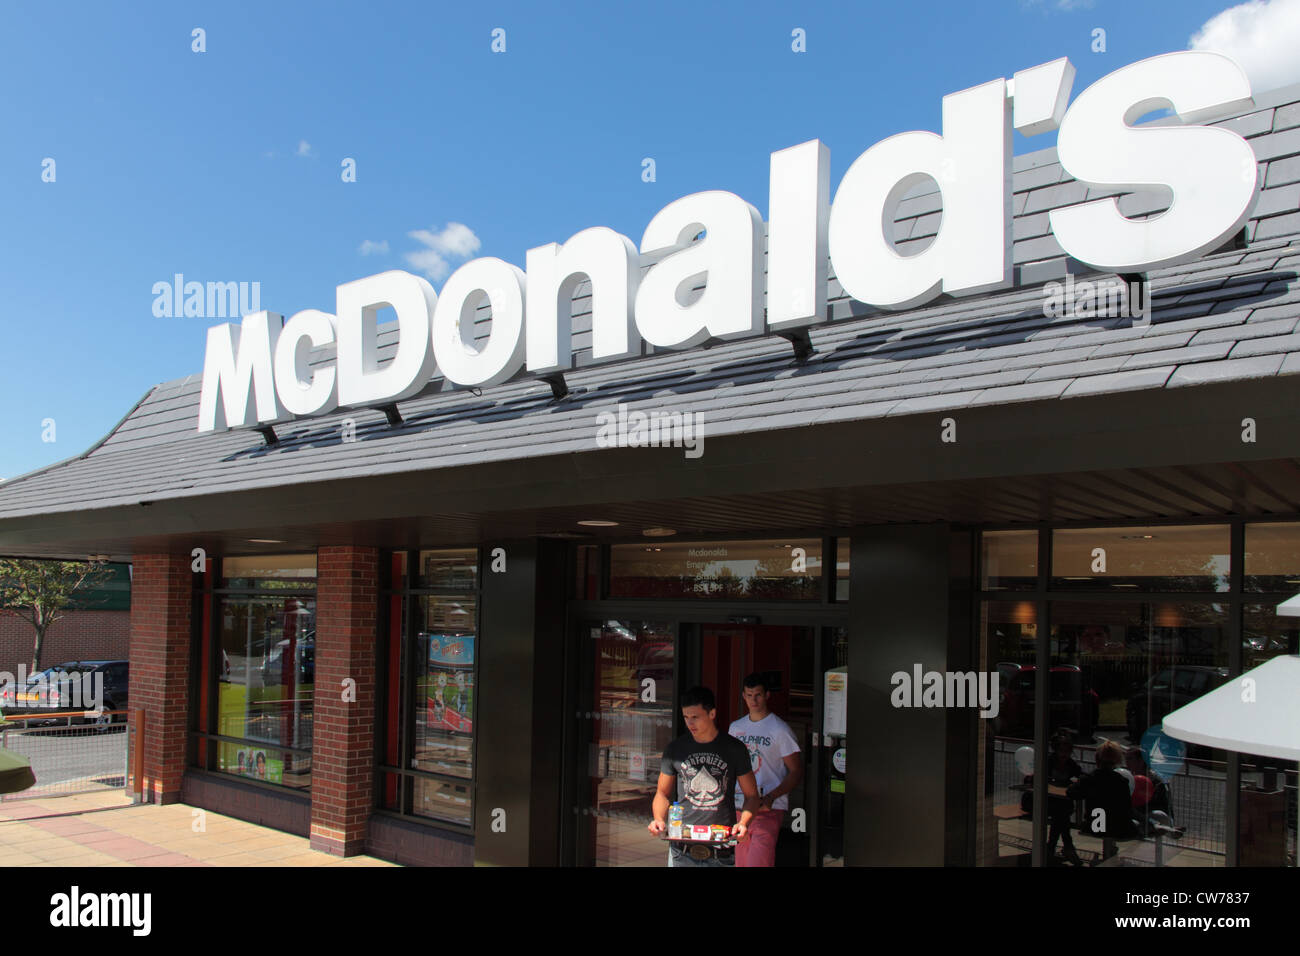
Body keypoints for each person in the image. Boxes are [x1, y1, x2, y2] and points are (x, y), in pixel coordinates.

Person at [649, 686, 760, 867]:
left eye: (695, 717)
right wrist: (659, 819)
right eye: (686, 717)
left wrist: (744, 823)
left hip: (721, 849)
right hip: (682, 848)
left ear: (712, 714)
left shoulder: (734, 749)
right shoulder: (675, 749)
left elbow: (752, 796)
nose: (690, 723)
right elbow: (662, 793)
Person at [727, 673, 803, 867]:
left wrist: (772, 797)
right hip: (740, 806)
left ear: (767, 695)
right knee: (741, 863)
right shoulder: (735, 728)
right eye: (749, 695)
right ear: (743, 696)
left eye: (758, 695)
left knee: (758, 862)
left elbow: (796, 771)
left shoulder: (780, 730)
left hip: (767, 808)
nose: (753, 700)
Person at [1063, 739, 1138, 862]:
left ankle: (1107, 856)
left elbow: (1071, 793)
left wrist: (1078, 784)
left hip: (1095, 825)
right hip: (1118, 828)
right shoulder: (1121, 781)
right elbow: (1127, 808)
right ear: (1116, 760)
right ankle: (1111, 855)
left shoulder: (1089, 779)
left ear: (1097, 759)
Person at [1042, 729, 1084, 866]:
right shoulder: (1048, 762)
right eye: (1061, 751)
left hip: (1063, 803)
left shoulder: (1072, 765)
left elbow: (1080, 778)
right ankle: (1067, 847)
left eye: (1067, 751)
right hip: (1048, 801)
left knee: (1060, 817)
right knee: (1061, 817)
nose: (1064, 754)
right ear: (1056, 749)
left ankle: (1051, 847)